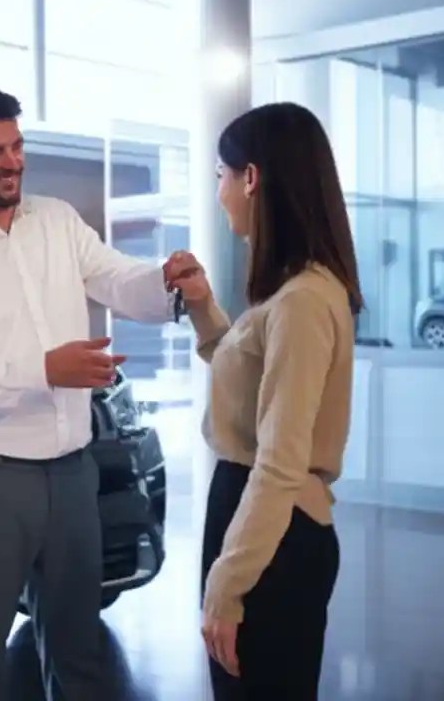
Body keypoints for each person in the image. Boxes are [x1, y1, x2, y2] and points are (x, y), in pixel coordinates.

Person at [0, 83, 190, 701]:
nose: (13, 162)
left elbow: (120, 280)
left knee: (79, 656)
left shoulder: (55, 220)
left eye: (17, 146)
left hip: (72, 473)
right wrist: (44, 369)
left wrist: (168, 283)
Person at [165, 101, 363, 700]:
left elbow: (278, 461)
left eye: (221, 176)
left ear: (251, 178)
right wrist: (202, 304)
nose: (220, 192)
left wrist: (228, 582)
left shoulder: (301, 300)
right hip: (266, 521)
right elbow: (248, 378)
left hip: (271, 530)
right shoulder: (296, 290)